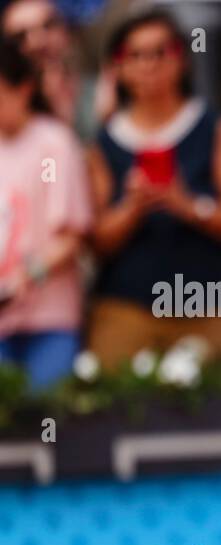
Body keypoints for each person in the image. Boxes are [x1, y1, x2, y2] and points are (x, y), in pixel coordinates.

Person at [85, 6, 221, 367]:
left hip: (204, 303)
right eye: (136, 55)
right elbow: (96, 240)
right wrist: (132, 207)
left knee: (209, 410)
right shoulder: (104, 143)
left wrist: (187, 205)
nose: (149, 64)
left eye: (161, 52)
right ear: (119, 67)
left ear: (181, 60)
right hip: (124, 308)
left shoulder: (214, 128)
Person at [0, 37, 93, 389]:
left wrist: (30, 274)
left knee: (48, 426)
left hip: (49, 321)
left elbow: (72, 236)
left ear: (23, 88)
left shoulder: (54, 143)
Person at [2, 0, 104, 139]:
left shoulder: (104, 90)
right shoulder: (7, 112)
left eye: (48, 26)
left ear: (67, 30)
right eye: (21, 36)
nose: (38, 41)